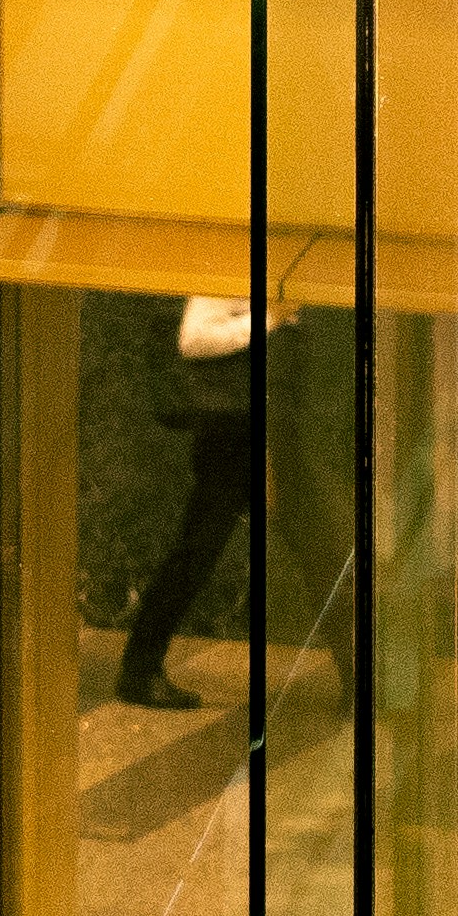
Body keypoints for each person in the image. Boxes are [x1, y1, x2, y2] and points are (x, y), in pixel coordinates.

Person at [111, 292, 278, 709]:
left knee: (200, 551)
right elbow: (194, 338)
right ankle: (139, 669)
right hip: (234, 434)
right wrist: (270, 319)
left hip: (266, 427)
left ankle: (140, 667)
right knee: (197, 552)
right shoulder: (229, 263)